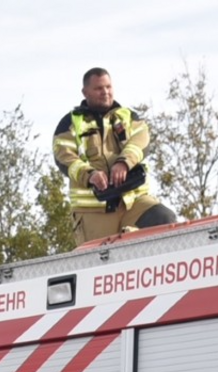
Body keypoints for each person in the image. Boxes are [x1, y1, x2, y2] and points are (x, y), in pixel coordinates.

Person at [54, 66, 177, 245]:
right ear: (85, 92)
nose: (105, 92)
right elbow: (64, 156)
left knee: (164, 219)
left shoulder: (127, 116)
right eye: (98, 88)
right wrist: (90, 175)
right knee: (100, 262)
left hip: (132, 202)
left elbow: (141, 139)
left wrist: (124, 162)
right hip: (93, 212)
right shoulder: (70, 123)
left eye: (108, 87)